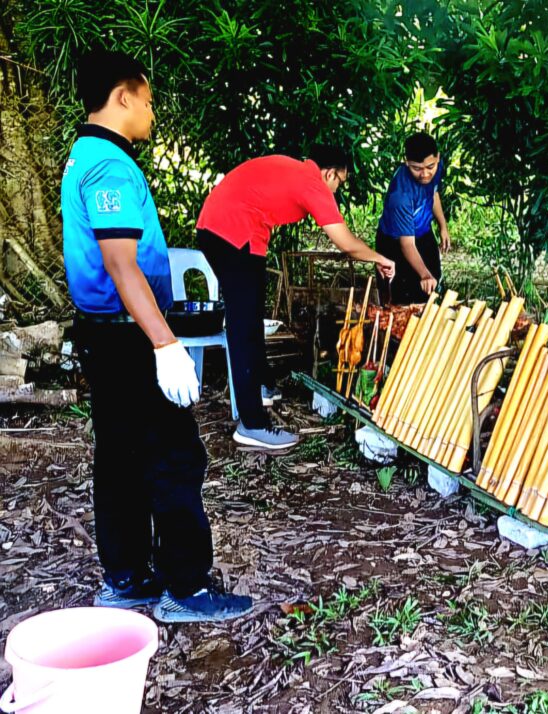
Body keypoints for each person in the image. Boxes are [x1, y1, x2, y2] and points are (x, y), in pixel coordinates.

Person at [63, 49, 252, 622]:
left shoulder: (85, 156)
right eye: (147, 100)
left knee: (119, 455)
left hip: (105, 333)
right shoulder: (110, 166)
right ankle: (186, 588)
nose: (151, 111)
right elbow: (121, 264)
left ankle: (128, 577)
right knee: (173, 456)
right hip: (127, 338)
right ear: (123, 95)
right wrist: (166, 344)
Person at [196, 148, 395, 449]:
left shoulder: (295, 170)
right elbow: (345, 243)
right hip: (233, 233)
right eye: (339, 182)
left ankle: (262, 386)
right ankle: (252, 423)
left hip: (226, 230)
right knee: (243, 325)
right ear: (331, 174)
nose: (336, 189)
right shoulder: (312, 182)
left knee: (250, 314)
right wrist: (380, 258)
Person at [375, 132, 450, 304]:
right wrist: (424, 275)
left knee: (432, 286)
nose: (425, 174)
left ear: (437, 158)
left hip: (423, 232)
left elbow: (433, 193)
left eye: (430, 166)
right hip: (394, 242)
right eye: (417, 168)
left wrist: (443, 226)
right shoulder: (400, 196)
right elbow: (406, 244)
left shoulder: (436, 167)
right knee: (398, 299)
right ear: (406, 161)